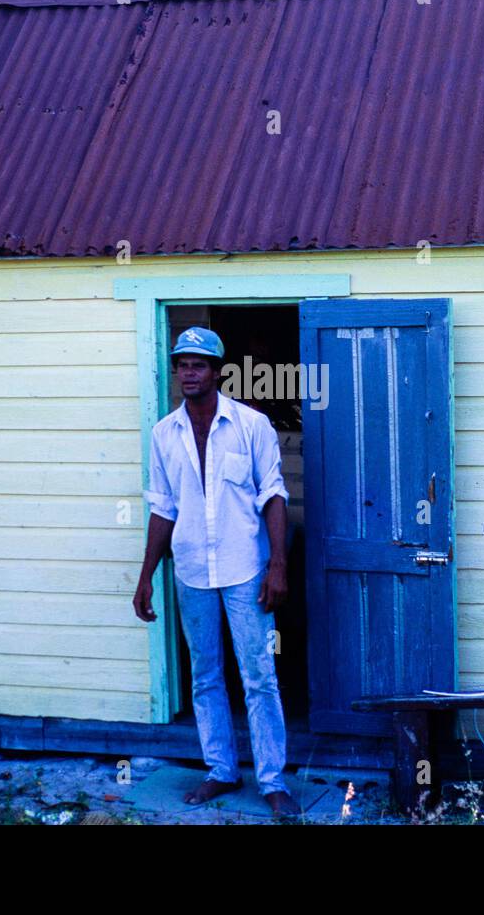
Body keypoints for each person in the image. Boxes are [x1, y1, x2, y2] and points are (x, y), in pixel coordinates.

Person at [133, 325, 298, 817]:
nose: (188, 371)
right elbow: (163, 508)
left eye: (198, 364)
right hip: (190, 571)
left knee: (259, 675)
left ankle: (272, 781)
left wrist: (278, 566)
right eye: (182, 363)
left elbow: (273, 496)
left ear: (218, 371)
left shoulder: (251, 426)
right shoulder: (165, 434)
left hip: (245, 567)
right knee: (205, 675)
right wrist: (146, 575)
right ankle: (221, 771)